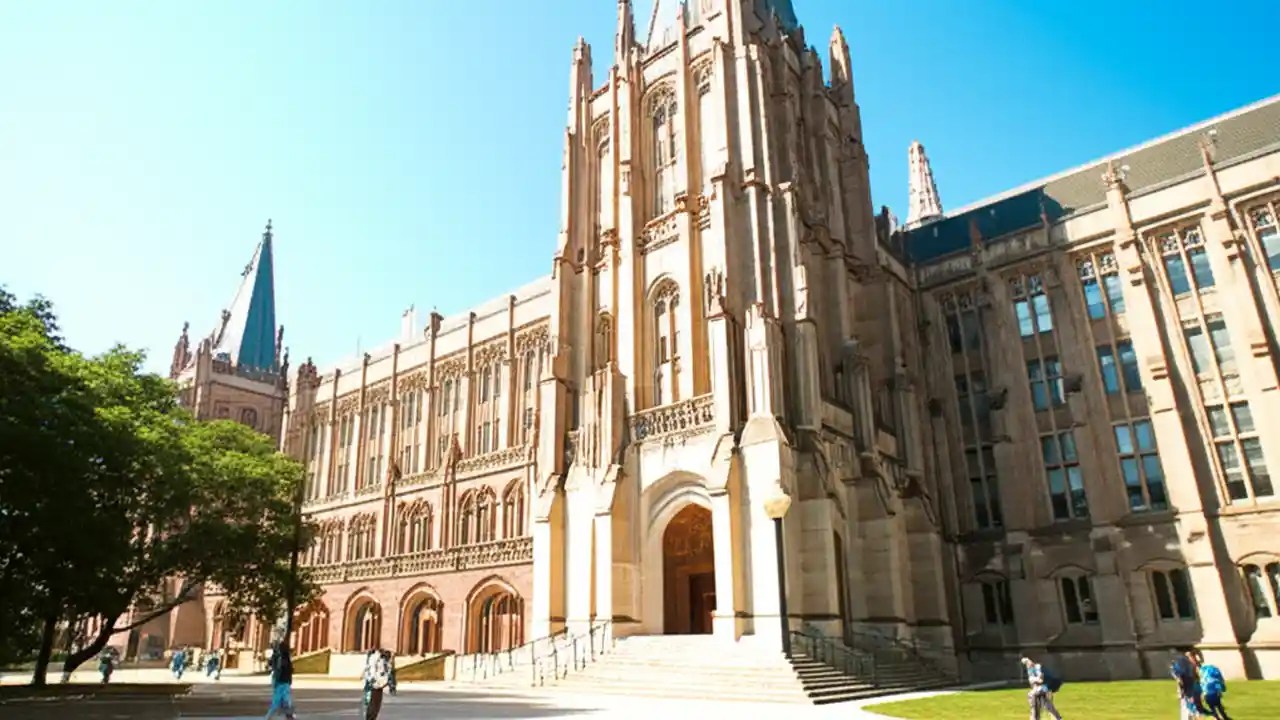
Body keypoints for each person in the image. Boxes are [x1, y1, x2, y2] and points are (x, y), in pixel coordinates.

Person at [264, 642, 297, 720]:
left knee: (282, 700)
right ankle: (270, 716)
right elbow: (288, 670)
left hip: (281, 681)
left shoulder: (280, 657)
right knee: (283, 700)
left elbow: (276, 668)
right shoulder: (284, 658)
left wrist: (275, 680)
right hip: (284, 682)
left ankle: (288, 715)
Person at [1195, 651, 1230, 720]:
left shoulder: (1202, 671)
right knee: (1218, 705)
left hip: (1208, 691)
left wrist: (1202, 693)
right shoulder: (1211, 668)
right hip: (1214, 690)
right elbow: (1219, 679)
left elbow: (1203, 683)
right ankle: (1222, 716)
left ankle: (1217, 717)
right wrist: (1222, 688)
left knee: (1213, 706)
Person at [1172, 649, 1205, 719]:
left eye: (1190, 656)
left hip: (1194, 688)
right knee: (1188, 708)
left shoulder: (1195, 666)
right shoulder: (1185, 666)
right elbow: (1179, 679)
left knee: (1195, 708)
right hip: (1188, 690)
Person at [361, 647, 392, 720]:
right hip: (374, 684)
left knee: (375, 704)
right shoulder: (375, 658)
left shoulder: (381, 660)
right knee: (373, 704)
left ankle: (372, 717)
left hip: (378, 684)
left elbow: (384, 671)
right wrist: (374, 681)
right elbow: (372, 670)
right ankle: (370, 717)